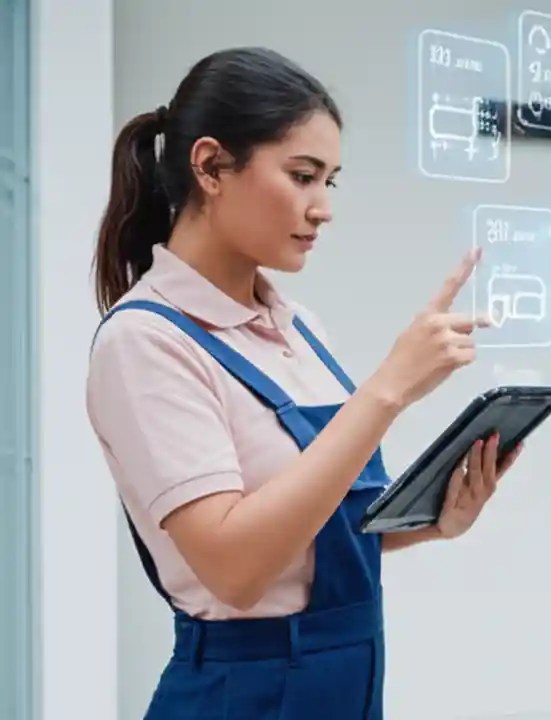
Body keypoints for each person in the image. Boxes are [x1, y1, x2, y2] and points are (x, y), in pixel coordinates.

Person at [86, 47, 517, 719]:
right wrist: (388, 390)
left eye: (330, 182)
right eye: (302, 175)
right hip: (244, 693)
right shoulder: (145, 341)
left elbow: (318, 524)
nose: (322, 209)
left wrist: (432, 522)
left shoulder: (298, 326)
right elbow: (235, 570)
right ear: (210, 166)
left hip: (349, 679)